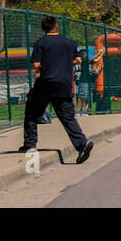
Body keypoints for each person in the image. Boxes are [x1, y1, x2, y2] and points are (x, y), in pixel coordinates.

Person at [18, 16, 93, 163]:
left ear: (43, 28)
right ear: (56, 26)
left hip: (45, 83)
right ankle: (82, 144)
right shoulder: (69, 43)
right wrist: (64, 62)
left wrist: (47, 65)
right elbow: (78, 60)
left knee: (31, 112)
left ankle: (30, 144)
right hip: (64, 83)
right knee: (67, 117)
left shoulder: (40, 43)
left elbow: (36, 65)